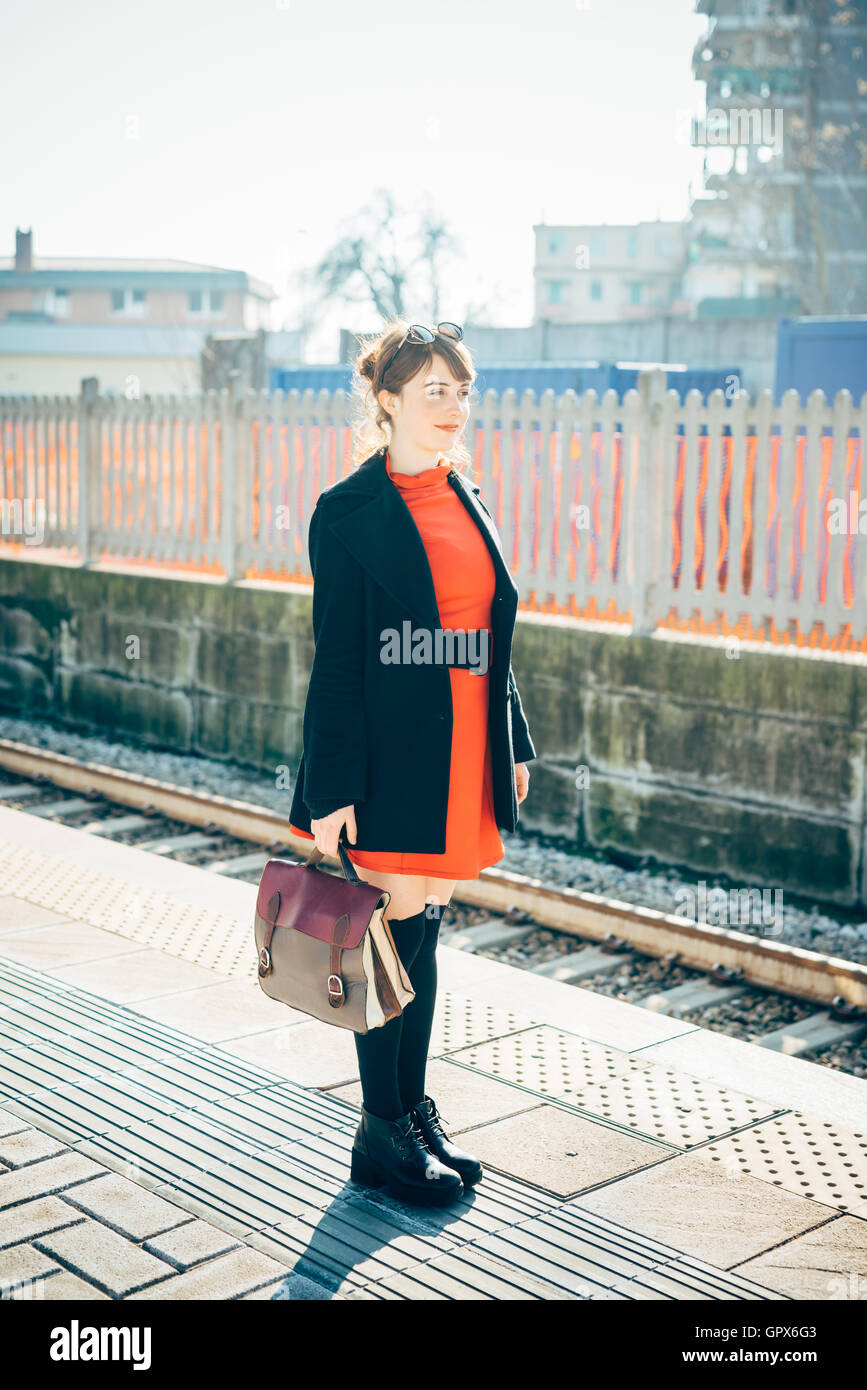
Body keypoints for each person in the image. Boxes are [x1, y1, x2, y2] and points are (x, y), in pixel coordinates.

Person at [287, 319, 536, 1206]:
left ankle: (410, 1115)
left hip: (460, 752)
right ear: (386, 400)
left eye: (463, 391)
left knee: (419, 930)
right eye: (436, 391)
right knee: (382, 938)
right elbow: (340, 659)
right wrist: (334, 788)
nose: (454, 407)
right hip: (388, 761)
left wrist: (513, 742)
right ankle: (379, 1135)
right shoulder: (349, 512)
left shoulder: (464, 494)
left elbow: (488, 636)